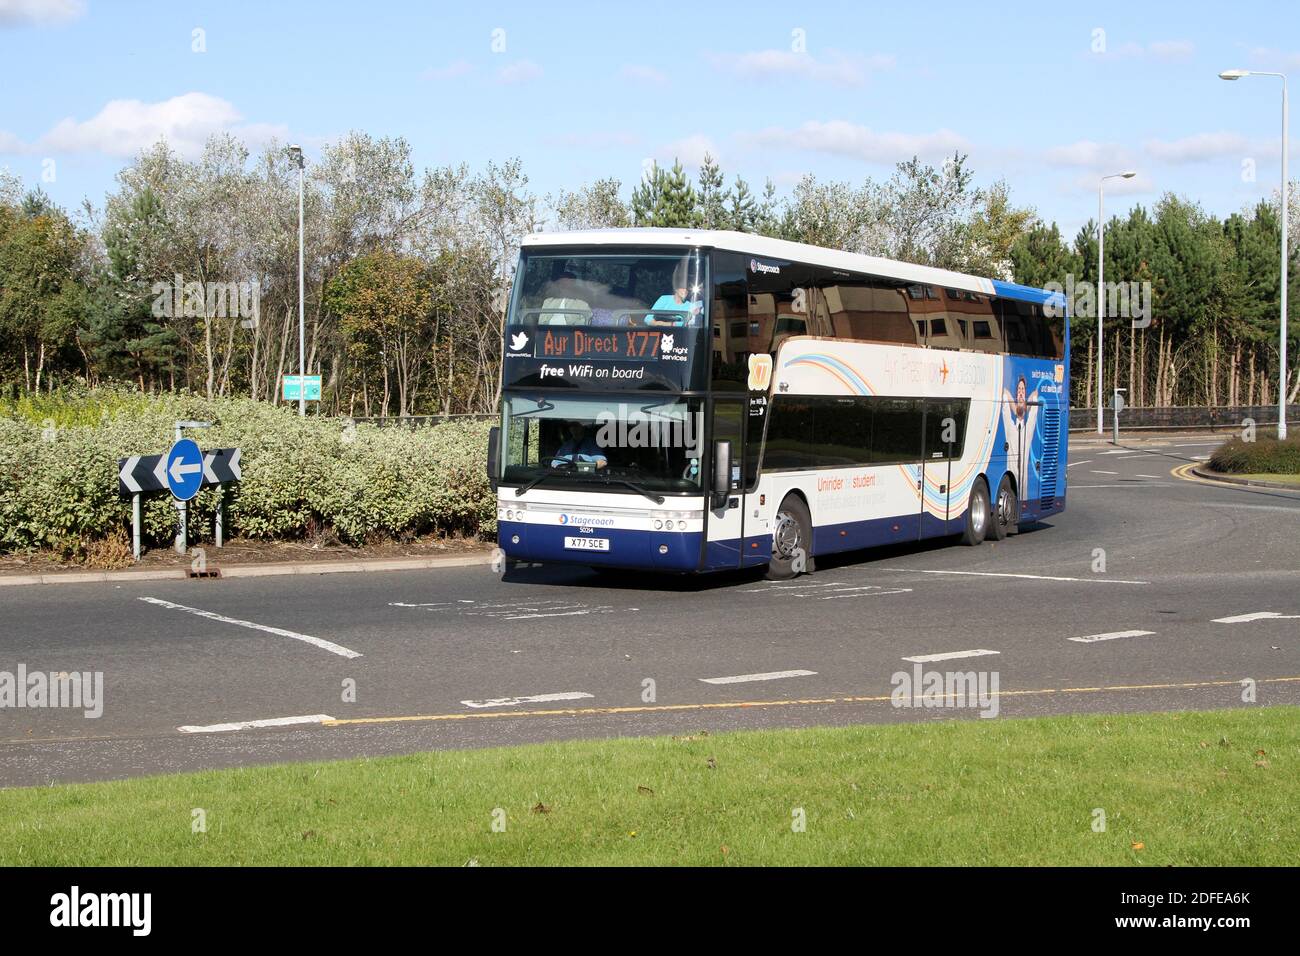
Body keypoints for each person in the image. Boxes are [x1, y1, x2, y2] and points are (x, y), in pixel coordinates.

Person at [646, 258, 702, 326]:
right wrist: (668, 324)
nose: (685, 290)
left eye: (687, 288)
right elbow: (647, 319)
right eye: (682, 287)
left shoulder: (690, 306)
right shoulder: (664, 299)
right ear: (676, 288)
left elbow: (705, 309)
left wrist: (697, 312)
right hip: (658, 334)